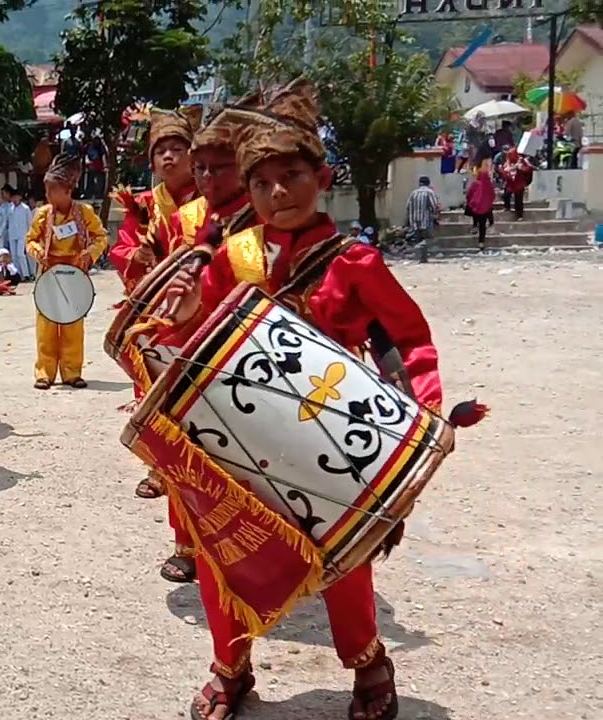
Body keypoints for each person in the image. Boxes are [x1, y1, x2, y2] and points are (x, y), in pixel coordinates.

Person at [161, 78, 441, 720]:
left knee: (341, 558)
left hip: (329, 434)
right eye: (261, 183)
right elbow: (194, 338)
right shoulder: (233, 256)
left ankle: (368, 660)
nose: (277, 193)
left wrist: (417, 422)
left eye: (291, 176)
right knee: (223, 550)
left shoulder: (353, 262)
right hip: (241, 431)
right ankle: (231, 668)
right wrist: (187, 313)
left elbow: (407, 341)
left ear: (322, 177)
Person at [138, 100, 266, 582]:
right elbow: (156, 270)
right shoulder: (183, 219)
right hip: (190, 351)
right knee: (187, 460)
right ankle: (187, 544)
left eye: (221, 167)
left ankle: (262, 547)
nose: (209, 177)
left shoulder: (265, 215)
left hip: (251, 354)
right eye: (202, 168)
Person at [25, 154, 107, 389]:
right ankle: (45, 372)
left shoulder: (84, 212)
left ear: (67, 191)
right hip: (49, 272)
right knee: (47, 323)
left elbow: (101, 236)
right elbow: (30, 240)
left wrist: (90, 253)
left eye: (53, 190)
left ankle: (72, 372)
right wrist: (38, 251)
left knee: (73, 323)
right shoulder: (43, 214)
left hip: (75, 272)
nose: (48, 195)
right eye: (47, 190)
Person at [109, 105, 203, 295]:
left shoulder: (208, 199)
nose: (168, 156)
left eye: (176, 149)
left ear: (193, 158)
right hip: (155, 294)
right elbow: (121, 248)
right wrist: (137, 255)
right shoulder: (143, 204)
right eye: (160, 152)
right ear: (152, 164)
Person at [404, 176, 439, 257]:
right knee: (428, 238)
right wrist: (436, 217)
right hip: (426, 221)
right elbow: (434, 206)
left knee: (418, 239)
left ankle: (421, 257)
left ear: (419, 183)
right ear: (428, 183)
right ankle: (422, 253)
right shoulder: (430, 192)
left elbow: (407, 206)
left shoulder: (413, 193)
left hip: (414, 221)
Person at [465, 161, 496, 252]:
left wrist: (471, 201)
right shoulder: (489, 184)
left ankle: (475, 226)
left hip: (475, 206)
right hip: (485, 208)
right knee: (483, 225)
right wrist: (488, 202)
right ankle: (481, 242)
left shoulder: (475, 183)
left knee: (476, 217)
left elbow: (469, 194)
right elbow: (492, 195)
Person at [500, 150, 534, 220]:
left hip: (519, 183)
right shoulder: (507, 162)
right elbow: (504, 170)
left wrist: (521, 168)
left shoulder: (521, 161)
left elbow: (528, 169)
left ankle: (519, 215)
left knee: (518, 200)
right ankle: (507, 207)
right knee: (506, 195)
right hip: (510, 183)